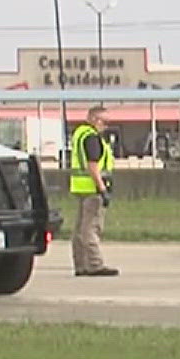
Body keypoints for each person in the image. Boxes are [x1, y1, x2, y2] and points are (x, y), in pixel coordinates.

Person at [69, 106, 118, 277]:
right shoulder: (92, 138)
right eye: (104, 122)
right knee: (91, 228)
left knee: (80, 228)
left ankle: (80, 264)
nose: (106, 126)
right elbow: (93, 166)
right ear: (95, 120)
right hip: (92, 189)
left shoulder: (80, 134)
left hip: (81, 187)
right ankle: (95, 264)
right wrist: (102, 189)